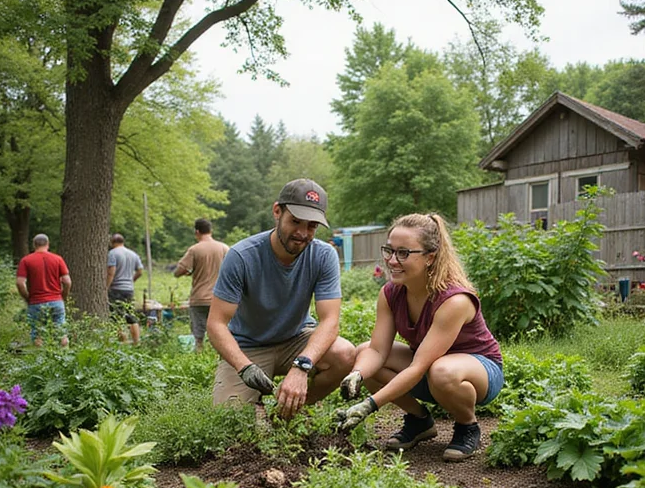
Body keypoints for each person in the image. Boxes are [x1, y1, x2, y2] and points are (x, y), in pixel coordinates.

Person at [336, 213, 503, 461]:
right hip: (428, 367)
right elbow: (378, 351)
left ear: (430, 257)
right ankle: (419, 421)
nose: (392, 260)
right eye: (389, 251)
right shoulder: (391, 293)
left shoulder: (454, 300)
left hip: (477, 371)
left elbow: (418, 367)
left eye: (403, 253)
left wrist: (369, 405)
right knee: (364, 353)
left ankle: (467, 425)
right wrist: (358, 374)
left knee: (442, 371)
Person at [207, 178, 356, 417]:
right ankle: (254, 404)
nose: (302, 233)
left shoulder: (323, 255)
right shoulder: (241, 256)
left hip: (296, 339)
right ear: (277, 211)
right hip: (248, 346)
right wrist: (244, 367)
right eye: (295, 221)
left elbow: (330, 321)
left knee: (345, 354)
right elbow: (216, 324)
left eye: (311, 226)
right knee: (229, 416)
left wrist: (302, 366)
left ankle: (290, 410)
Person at [174, 218, 229, 351]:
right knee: (222, 332)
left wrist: (189, 272)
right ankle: (220, 357)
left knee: (198, 336)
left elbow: (178, 271)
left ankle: (199, 357)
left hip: (199, 298)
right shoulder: (224, 248)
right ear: (211, 231)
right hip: (220, 298)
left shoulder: (195, 250)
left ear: (197, 232)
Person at [16, 234, 71, 347]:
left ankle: (40, 355)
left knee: (37, 335)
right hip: (56, 301)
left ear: (34, 245)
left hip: (36, 302)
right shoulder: (58, 259)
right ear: (48, 244)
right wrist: (63, 296)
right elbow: (67, 282)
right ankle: (64, 354)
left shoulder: (26, 260)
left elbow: (20, 283)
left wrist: (27, 298)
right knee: (61, 333)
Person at [106, 233, 143, 344]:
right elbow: (140, 271)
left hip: (116, 289)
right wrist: (131, 280)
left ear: (112, 242)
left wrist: (106, 287)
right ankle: (136, 342)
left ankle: (123, 341)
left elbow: (111, 272)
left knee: (116, 316)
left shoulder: (112, 253)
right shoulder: (133, 254)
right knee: (130, 316)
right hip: (129, 289)